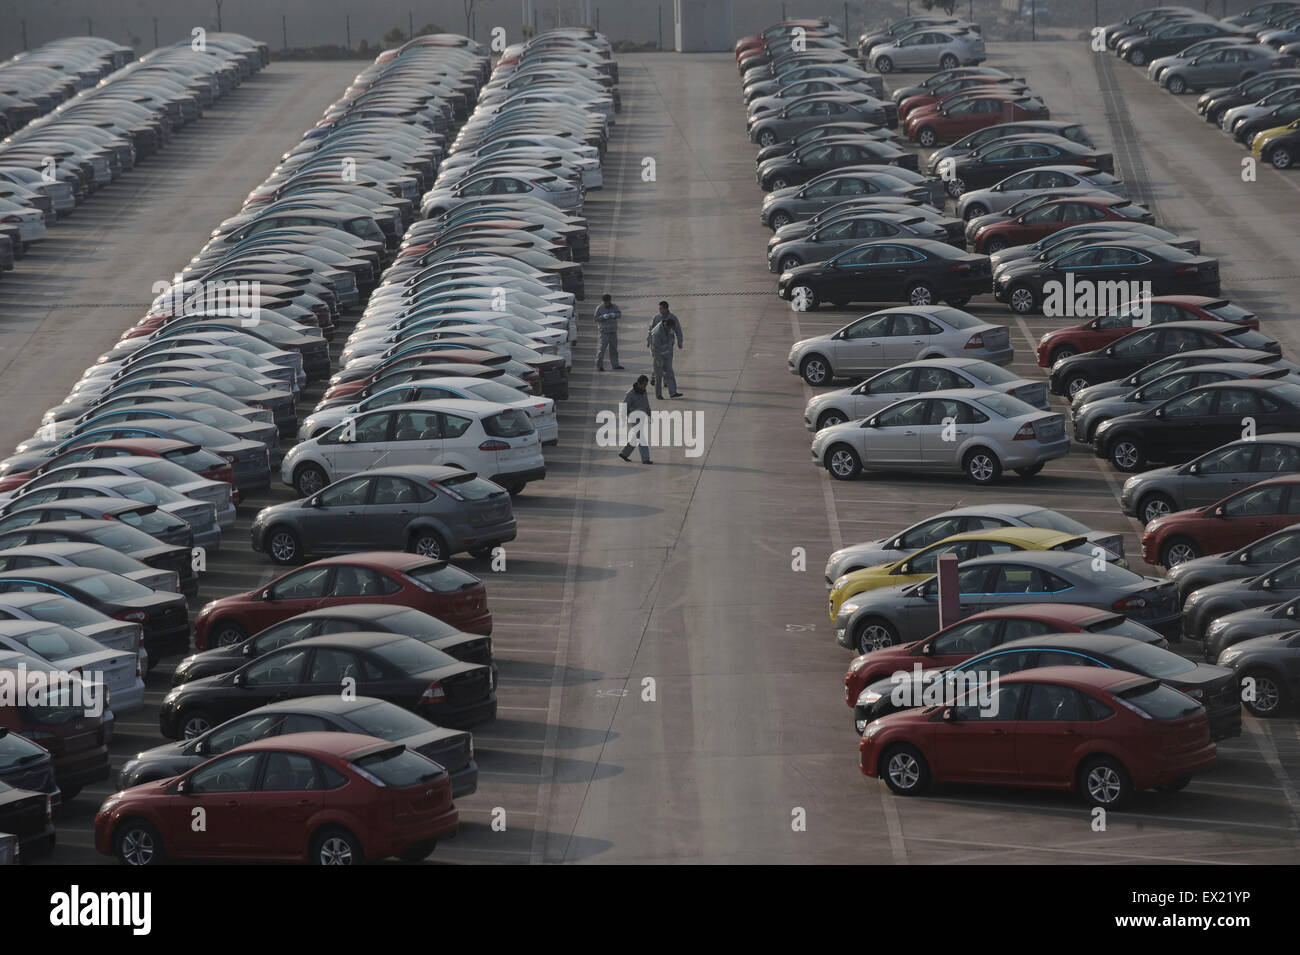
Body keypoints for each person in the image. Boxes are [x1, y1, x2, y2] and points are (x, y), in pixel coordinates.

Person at [647, 300, 684, 399]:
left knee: (670, 372)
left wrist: (680, 342)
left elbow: (678, 330)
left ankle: (673, 392)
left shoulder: (672, 319)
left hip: (668, 352)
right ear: (665, 325)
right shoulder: (657, 331)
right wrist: (658, 360)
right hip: (658, 354)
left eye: (661, 308)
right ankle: (658, 394)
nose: (659, 310)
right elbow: (654, 347)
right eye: (659, 308)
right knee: (659, 375)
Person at [619, 374, 653, 463]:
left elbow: (646, 403)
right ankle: (646, 459)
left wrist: (649, 414)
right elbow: (624, 407)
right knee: (641, 437)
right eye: (644, 385)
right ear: (639, 383)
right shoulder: (630, 394)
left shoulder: (644, 391)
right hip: (633, 418)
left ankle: (624, 453)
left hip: (641, 417)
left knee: (637, 437)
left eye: (646, 385)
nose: (645, 387)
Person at [593, 293, 624, 371]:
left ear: (610, 301)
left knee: (614, 349)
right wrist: (602, 317)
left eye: (607, 302)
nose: (606, 303)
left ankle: (615, 365)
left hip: (613, 331)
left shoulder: (614, 307)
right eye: (605, 302)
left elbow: (619, 314)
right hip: (604, 332)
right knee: (602, 349)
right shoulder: (599, 308)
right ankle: (599, 366)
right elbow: (596, 318)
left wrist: (614, 315)